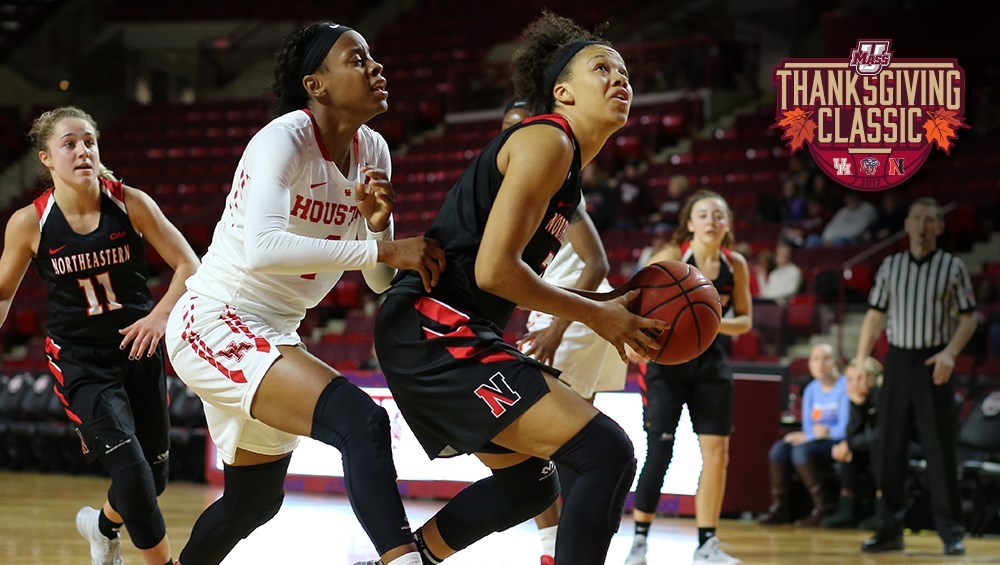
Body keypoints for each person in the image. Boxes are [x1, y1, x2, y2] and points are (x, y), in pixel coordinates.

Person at [374, 12, 666, 565]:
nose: (619, 77)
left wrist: (606, 304)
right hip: (432, 327)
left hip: (440, 327)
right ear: (563, 92)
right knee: (605, 451)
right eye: (601, 67)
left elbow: (501, 276)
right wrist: (594, 316)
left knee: (531, 487)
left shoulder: (566, 163)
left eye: (625, 71)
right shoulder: (547, 140)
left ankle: (414, 558)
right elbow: (495, 272)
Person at [162, 22, 445, 565]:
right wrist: (383, 251)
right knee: (362, 421)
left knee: (253, 503)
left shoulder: (375, 150)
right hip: (215, 318)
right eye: (357, 59)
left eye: (372, 57)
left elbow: (378, 282)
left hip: (273, 329)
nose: (375, 67)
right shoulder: (284, 136)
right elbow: (263, 249)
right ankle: (402, 559)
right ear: (316, 84)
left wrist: (380, 227)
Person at [0, 106, 201, 565]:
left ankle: (102, 525)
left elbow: (190, 264)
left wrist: (160, 315)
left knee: (154, 479)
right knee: (131, 475)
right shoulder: (29, 222)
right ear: (46, 158)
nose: (82, 150)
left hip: (139, 351)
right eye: (68, 144)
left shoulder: (130, 202)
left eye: (88, 141)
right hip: (80, 362)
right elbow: (2, 294)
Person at [499, 100, 630, 564]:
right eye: (506, 131)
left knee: (523, 436)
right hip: (578, 317)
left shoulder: (557, 188)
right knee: (580, 444)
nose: (513, 139)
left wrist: (557, 326)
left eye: (521, 128)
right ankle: (578, 547)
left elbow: (596, 262)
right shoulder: (515, 190)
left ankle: (555, 548)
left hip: (574, 318)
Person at [625, 190, 753, 565]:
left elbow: (746, 319)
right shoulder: (670, 257)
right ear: (690, 223)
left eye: (718, 214)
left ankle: (707, 544)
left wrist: (709, 323)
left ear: (727, 224)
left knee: (717, 455)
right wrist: (634, 341)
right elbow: (631, 301)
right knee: (659, 452)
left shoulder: (736, 264)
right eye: (703, 214)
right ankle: (640, 542)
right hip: (667, 364)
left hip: (712, 365)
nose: (711, 220)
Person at [854, 197, 977, 556]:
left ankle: (951, 531)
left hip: (933, 361)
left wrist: (951, 353)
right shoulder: (891, 266)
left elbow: (969, 317)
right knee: (889, 447)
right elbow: (875, 316)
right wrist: (861, 360)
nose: (923, 226)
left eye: (930, 220)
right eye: (917, 218)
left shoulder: (952, 267)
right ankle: (890, 529)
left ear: (940, 227)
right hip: (898, 361)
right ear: (907, 224)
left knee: (940, 450)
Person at [757, 343, 848, 526]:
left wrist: (820, 434)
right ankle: (781, 508)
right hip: (816, 440)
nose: (820, 364)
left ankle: (823, 507)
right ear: (810, 365)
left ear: (835, 362)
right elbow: (809, 427)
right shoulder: (811, 389)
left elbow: (844, 429)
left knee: (800, 452)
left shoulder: (844, 387)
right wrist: (810, 436)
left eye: (825, 358)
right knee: (779, 449)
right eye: (815, 359)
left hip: (837, 442)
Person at [821, 356, 882, 529]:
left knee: (878, 448)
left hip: (907, 448)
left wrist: (850, 444)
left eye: (858, 378)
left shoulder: (884, 396)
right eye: (849, 379)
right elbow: (851, 433)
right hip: (871, 446)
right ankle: (846, 510)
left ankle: (883, 512)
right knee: (850, 451)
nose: (853, 384)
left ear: (872, 378)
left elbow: (881, 434)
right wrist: (857, 407)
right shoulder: (858, 399)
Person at [756, 240, 803, 304]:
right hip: (769, 302)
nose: (779, 256)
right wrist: (761, 277)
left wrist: (771, 297)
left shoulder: (794, 271)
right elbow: (765, 293)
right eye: (778, 254)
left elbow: (791, 291)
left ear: (788, 256)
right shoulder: (774, 273)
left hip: (781, 304)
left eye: (782, 254)